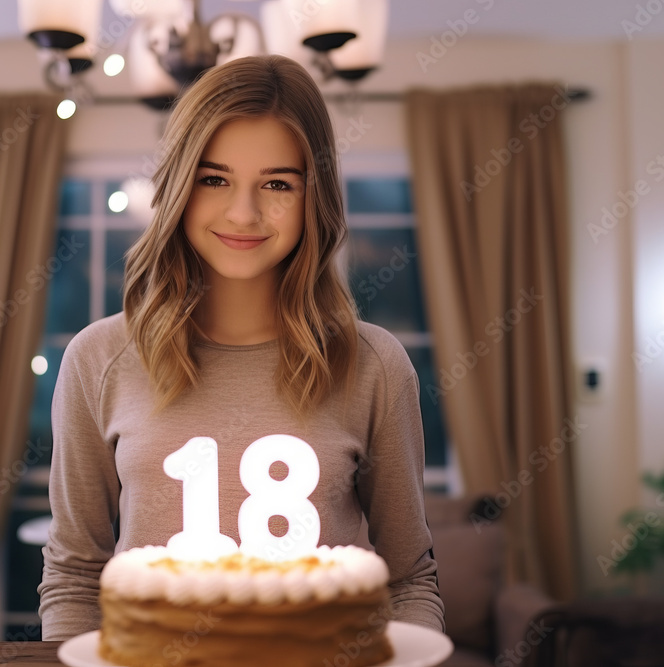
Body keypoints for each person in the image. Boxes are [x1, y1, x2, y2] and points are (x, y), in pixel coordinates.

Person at [37, 54, 444, 640]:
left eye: (277, 183)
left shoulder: (375, 366)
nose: (244, 212)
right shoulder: (98, 360)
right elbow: (75, 578)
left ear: (314, 197)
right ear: (179, 184)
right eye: (214, 178)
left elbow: (409, 582)